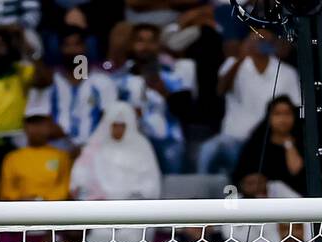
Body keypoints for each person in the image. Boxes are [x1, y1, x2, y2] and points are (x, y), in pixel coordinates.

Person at [198, 29, 300, 176]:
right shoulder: (233, 65)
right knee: (208, 150)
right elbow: (220, 90)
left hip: (266, 141)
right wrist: (242, 56)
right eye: (258, 39)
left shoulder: (286, 72)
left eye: (267, 40)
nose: (262, 43)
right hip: (235, 136)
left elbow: (295, 106)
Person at [113, 22, 192, 173]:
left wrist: (164, 92)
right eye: (140, 41)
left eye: (151, 41)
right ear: (131, 45)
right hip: (133, 142)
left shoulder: (174, 75)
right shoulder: (120, 79)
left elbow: (186, 112)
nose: (146, 46)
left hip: (168, 142)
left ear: (159, 45)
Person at [69, 101, 161, 200]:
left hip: (133, 204)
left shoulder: (142, 146)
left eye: (122, 126)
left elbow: (150, 182)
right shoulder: (96, 146)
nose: (118, 130)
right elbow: (81, 175)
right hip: (101, 204)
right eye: (114, 125)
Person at [232, 96, 306, 195]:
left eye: (287, 113)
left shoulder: (305, 140)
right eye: (277, 114)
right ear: (269, 117)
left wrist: (288, 144)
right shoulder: (257, 143)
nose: (282, 119)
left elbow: (297, 171)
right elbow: (240, 178)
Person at [0, 113, 70, 201]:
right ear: (25, 127)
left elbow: (64, 188)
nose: (37, 129)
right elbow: (7, 191)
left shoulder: (61, 156)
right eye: (32, 124)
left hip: (53, 210)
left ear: (49, 126)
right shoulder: (12, 158)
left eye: (41, 123)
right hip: (20, 210)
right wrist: (23, 200)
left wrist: (41, 201)